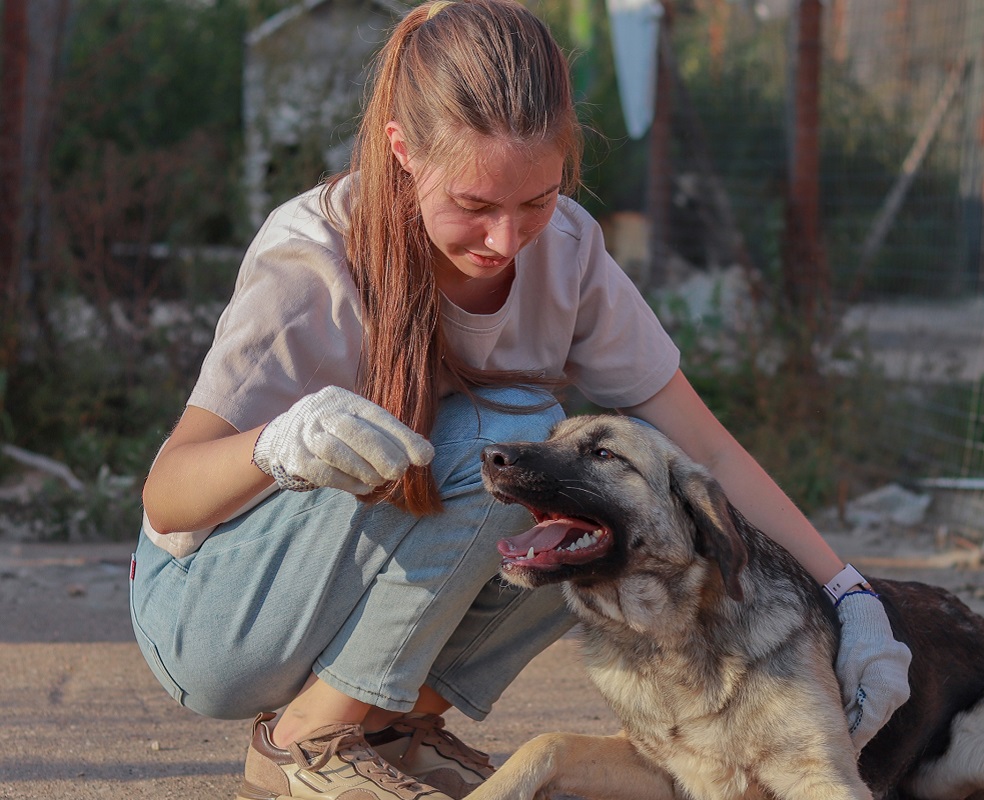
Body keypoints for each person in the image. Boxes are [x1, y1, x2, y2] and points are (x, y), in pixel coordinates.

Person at [131, 1, 912, 798]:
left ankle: (388, 728)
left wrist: (852, 597)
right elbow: (168, 494)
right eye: (475, 205)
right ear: (402, 151)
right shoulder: (313, 257)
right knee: (519, 435)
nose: (507, 241)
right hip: (219, 621)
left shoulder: (568, 250)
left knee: (616, 513)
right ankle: (305, 741)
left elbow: (704, 454)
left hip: (331, 600)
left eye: (536, 200)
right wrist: (279, 445)